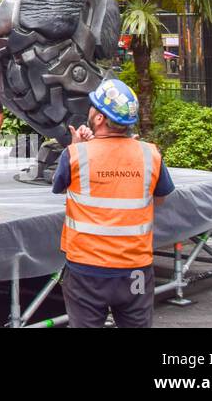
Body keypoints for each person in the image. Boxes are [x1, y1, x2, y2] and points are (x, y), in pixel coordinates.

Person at [52, 78, 174, 328]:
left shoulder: (75, 155)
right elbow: (159, 199)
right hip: (135, 270)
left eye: (93, 107)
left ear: (98, 119)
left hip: (87, 271)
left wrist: (77, 146)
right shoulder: (150, 154)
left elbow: (58, 187)